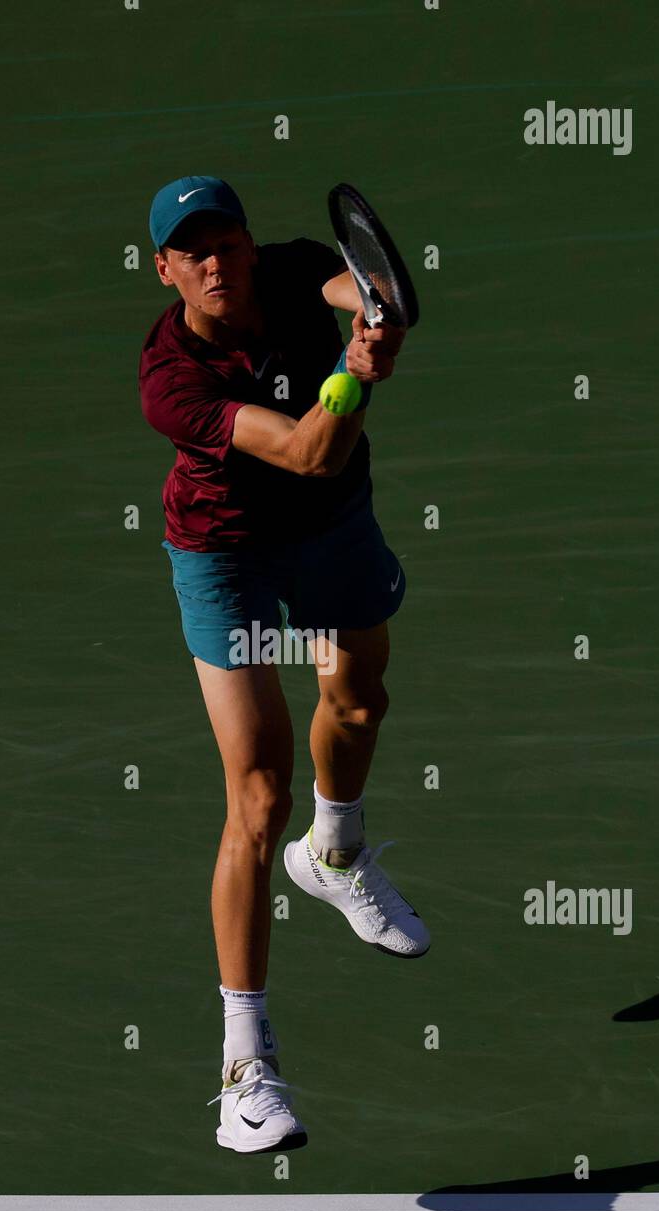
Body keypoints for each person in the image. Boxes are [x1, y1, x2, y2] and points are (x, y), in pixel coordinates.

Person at [139, 175, 429, 1155]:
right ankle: (243, 1069)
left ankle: (336, 856)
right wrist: (353, 374)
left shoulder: (297, 269)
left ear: (252, 243)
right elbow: (307, 448)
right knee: (257, 792)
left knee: (357, 702)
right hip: (226, 554)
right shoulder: (172, 377)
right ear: (165, 270)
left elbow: (358, 289)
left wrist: (374, 315)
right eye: (194, 250)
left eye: (228, 239)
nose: (216, 261)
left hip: (333, 529)